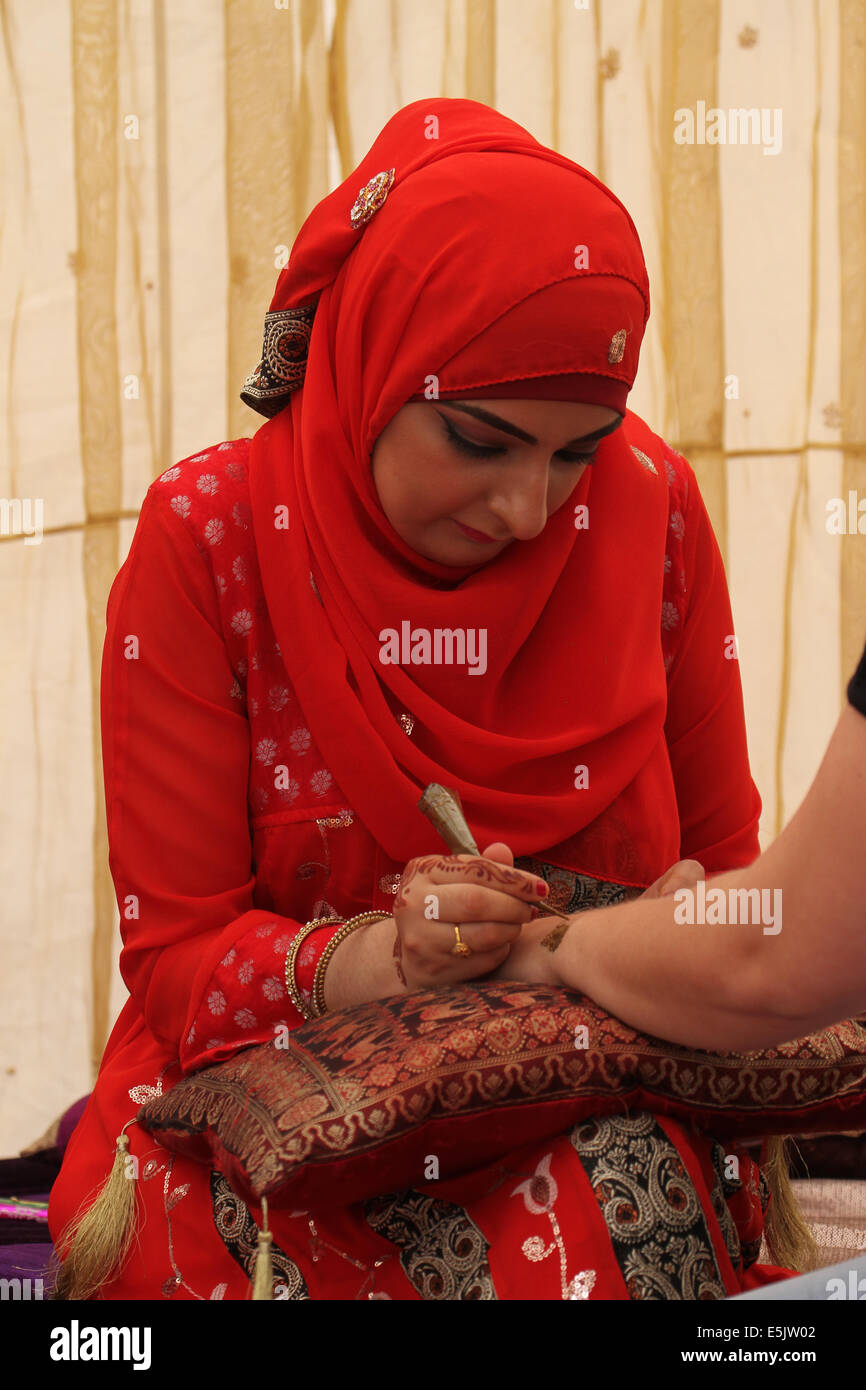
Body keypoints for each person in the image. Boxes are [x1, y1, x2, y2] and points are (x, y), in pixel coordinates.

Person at [49, 96, 806, 1302]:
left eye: (575, 450)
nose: (527, 507)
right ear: (370, 357)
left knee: (621, 1201)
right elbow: (182, 964)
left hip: (584, 1102)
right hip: (280, 1112)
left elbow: (725, 873)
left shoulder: (647, 509)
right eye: (477, 438)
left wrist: (683, 920)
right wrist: (388, 961)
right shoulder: (213, 541)